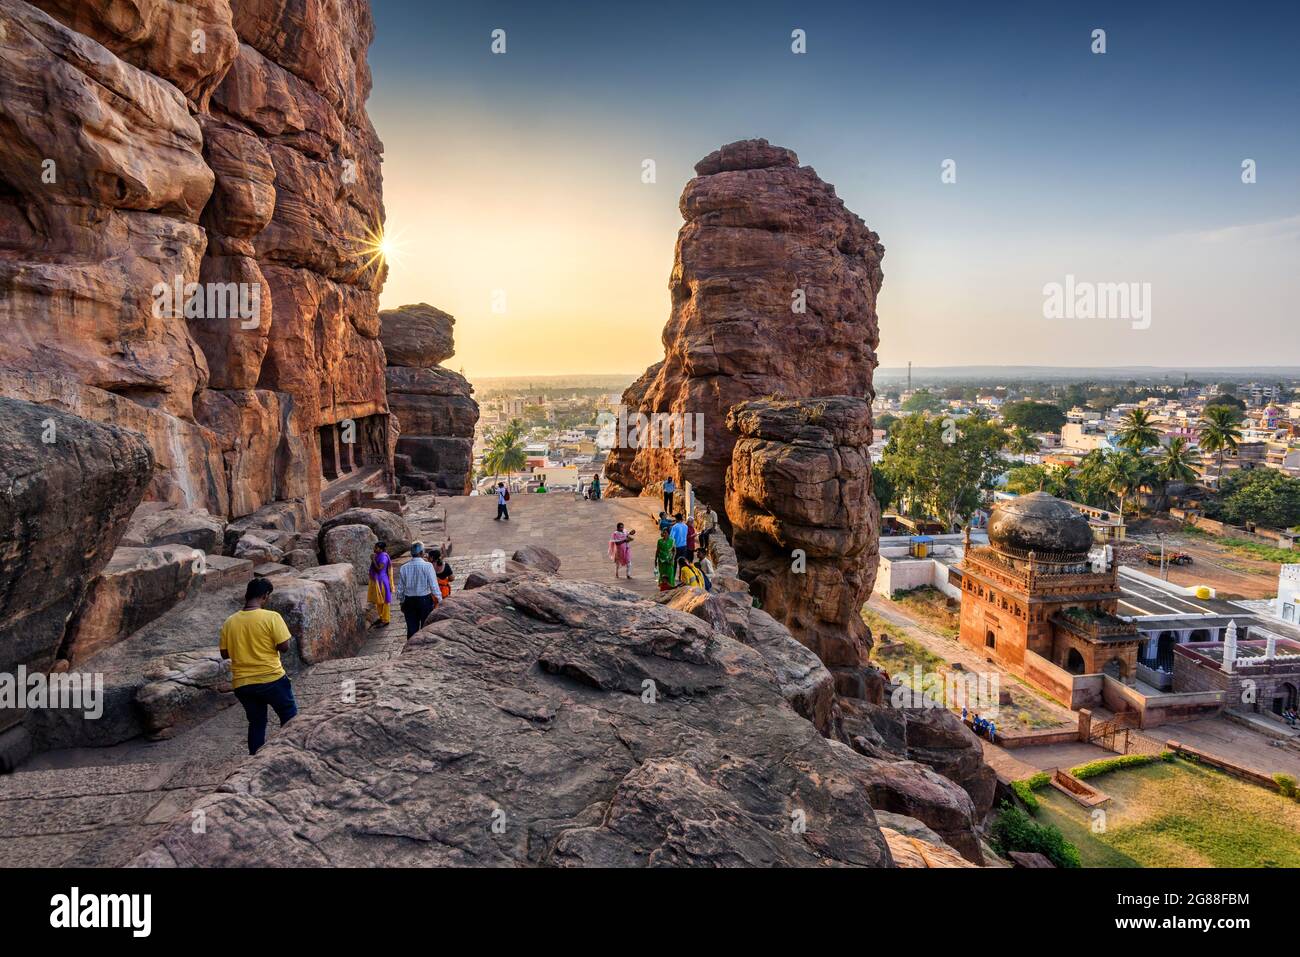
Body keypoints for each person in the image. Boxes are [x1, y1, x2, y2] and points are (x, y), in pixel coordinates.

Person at [220, 578, 298, 755]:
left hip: (243, 684)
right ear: (265, 596)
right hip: (271, 678)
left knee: (256, 723)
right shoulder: (271, 617)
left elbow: (225, 654)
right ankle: (292, 752)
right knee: (289, 716)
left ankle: (255, 760)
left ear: (247, 595)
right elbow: (284, 647)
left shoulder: (229, 622)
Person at [395, 541, 441, 637]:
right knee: (426, 628)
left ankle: (411, 649)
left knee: (412, 630)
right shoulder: (428, 566)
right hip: (424, 600)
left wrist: (401, 602)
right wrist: (440, 600)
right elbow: (434, 586)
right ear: (422, 553)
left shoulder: (404, 568)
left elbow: (400, 588)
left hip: (409, 600)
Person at [367, 541, 393, 627]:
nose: (374, 549)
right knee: (379, 601)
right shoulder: (378, 555)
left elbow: (379, 569)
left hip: (382, 581)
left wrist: (373, 560)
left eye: (376, 547)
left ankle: (386, 620)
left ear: (381, 549)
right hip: (378, 580)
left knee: (385, 601)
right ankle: (381, 617)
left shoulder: (383, 557)